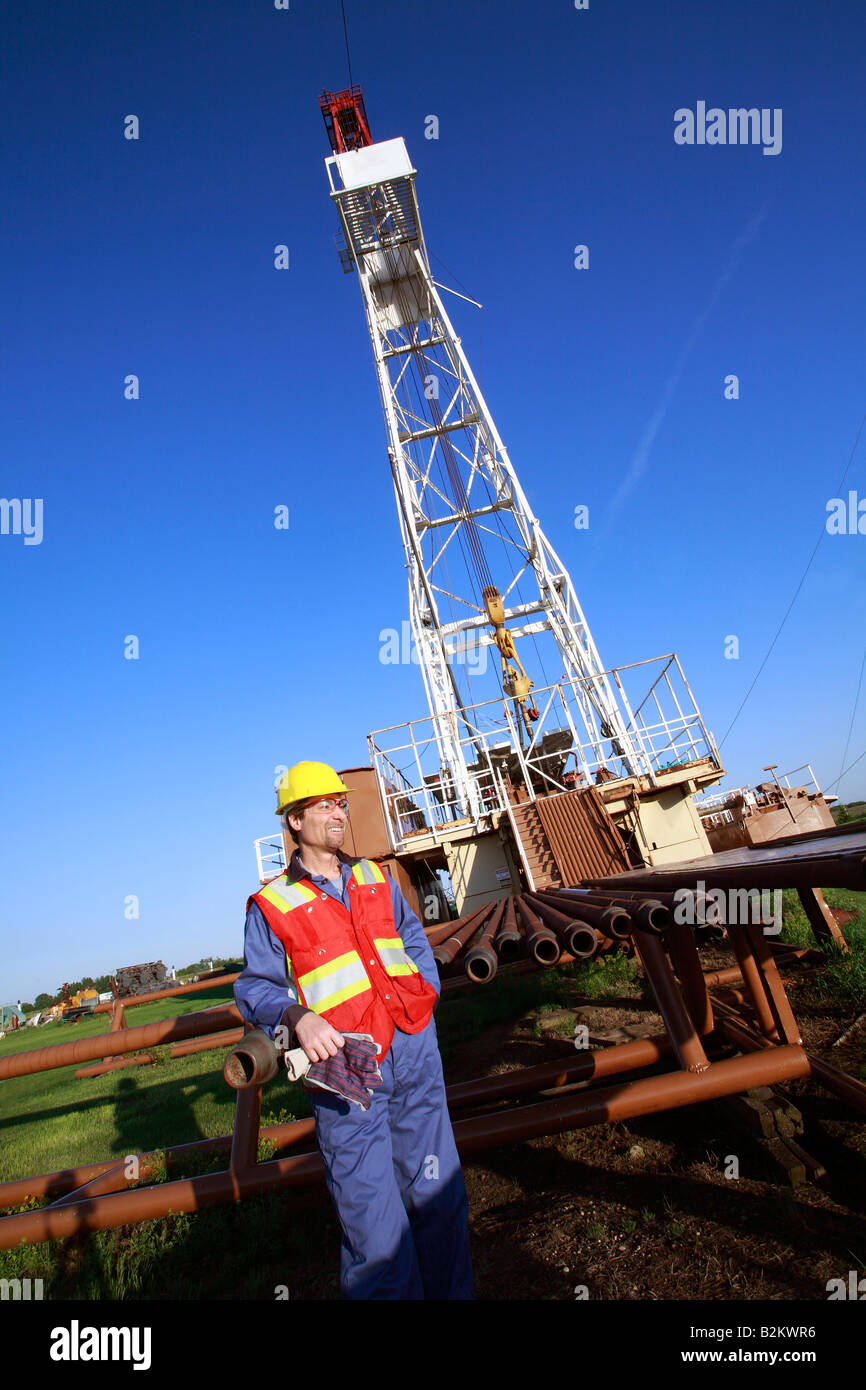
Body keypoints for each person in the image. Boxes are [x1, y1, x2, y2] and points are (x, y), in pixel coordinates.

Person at [234, 760, 473, 1300]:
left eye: (340, 802)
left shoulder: (374, 878)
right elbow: (256, 988)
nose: (337, 812)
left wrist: (424, 997)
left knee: (441, 1200)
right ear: (294, 820)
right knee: (375, 1231)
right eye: (323, 805)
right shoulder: (271, 905)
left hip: (413, 1051)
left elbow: (413, 943)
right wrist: (297, 1016)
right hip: (346, 1075)